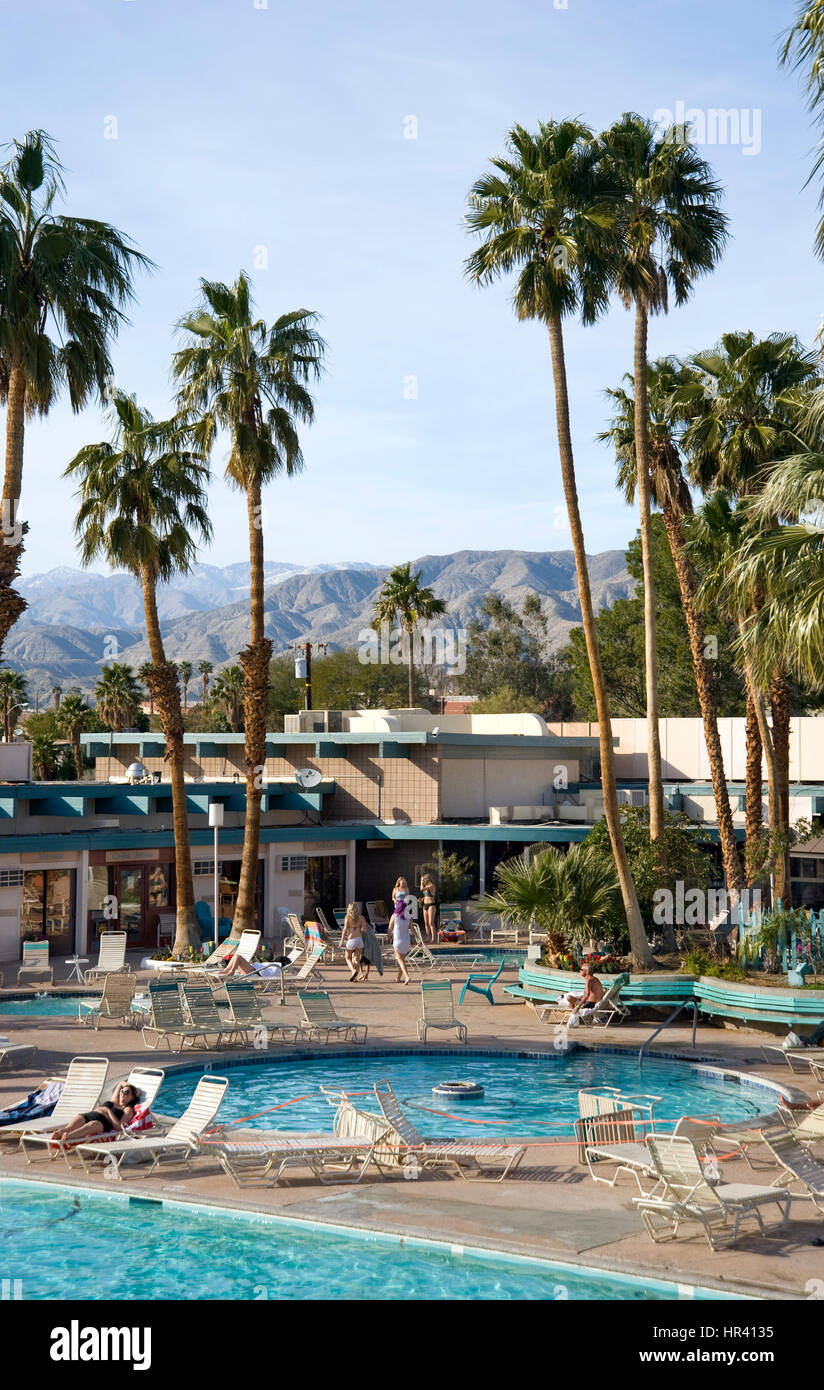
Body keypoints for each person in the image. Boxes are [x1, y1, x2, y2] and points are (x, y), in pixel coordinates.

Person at [50, 1082, 140, 1144]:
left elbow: (119, 1127)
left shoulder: (127, 1110)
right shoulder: (115, 1100)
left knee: (92, 1125)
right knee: (70, 1127)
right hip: (90, 1115)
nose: (122, 1094)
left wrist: (108, 1111)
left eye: (127, 1092)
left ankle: (68, 1137)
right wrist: (133, 1088)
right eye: (122, 1091)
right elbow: (121, 1083)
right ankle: (59, 1134)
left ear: (132, 1097)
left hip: (101, 1123)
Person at [387, 898, 412, 985]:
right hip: (406, 941)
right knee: (402, 960)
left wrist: (388, 937)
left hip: (397, 941)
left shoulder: (394, 916)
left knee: (400, 960)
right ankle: (398, 978)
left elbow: (390, 928)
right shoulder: (408, 916)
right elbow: (413, 929)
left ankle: (406, 976)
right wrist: (418, 939)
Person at [340, 902, 367, 982]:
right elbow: (364, 930)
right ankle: (355, 978)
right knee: (356, 959)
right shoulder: (361, 918)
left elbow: (344, 930)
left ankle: (353, 971)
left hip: (351, 940)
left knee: (348, 958)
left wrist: (341, 941)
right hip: (359, 939)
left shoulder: (347, 917)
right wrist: (359, 928)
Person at [419, 874, 438, 943]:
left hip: (431, 905)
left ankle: (433, 938)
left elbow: (421, 889)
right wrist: (422, 899)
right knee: (426, 923)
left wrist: (421, 881)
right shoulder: (427, 886)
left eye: (424, 880)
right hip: (425, 905)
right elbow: (427, 895)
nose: (424, 881)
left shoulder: (431, 885)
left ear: (428, 879)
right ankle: (428, 937)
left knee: (431, 923)